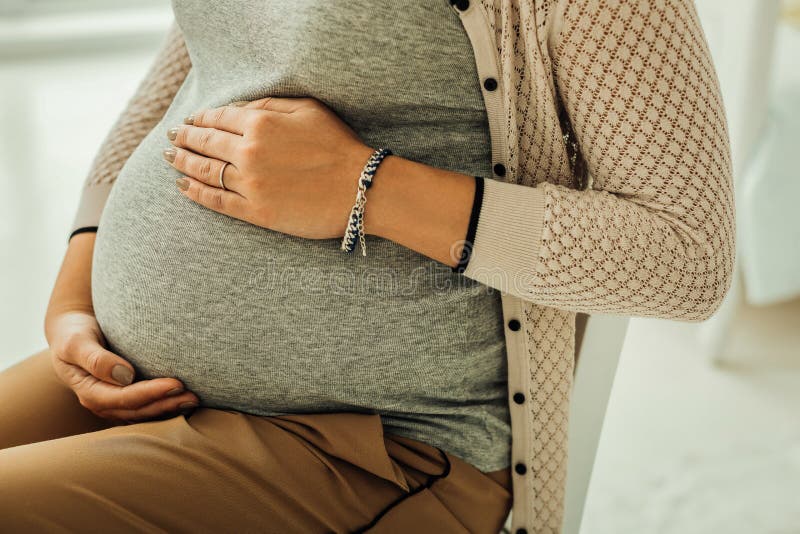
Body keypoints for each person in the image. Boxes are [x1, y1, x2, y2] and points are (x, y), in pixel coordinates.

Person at [0, 0, 735, 532]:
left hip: (380, 449)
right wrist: (76, 292)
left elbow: (687, 256)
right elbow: (202, 58)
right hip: (133, 376)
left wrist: (368, 188)